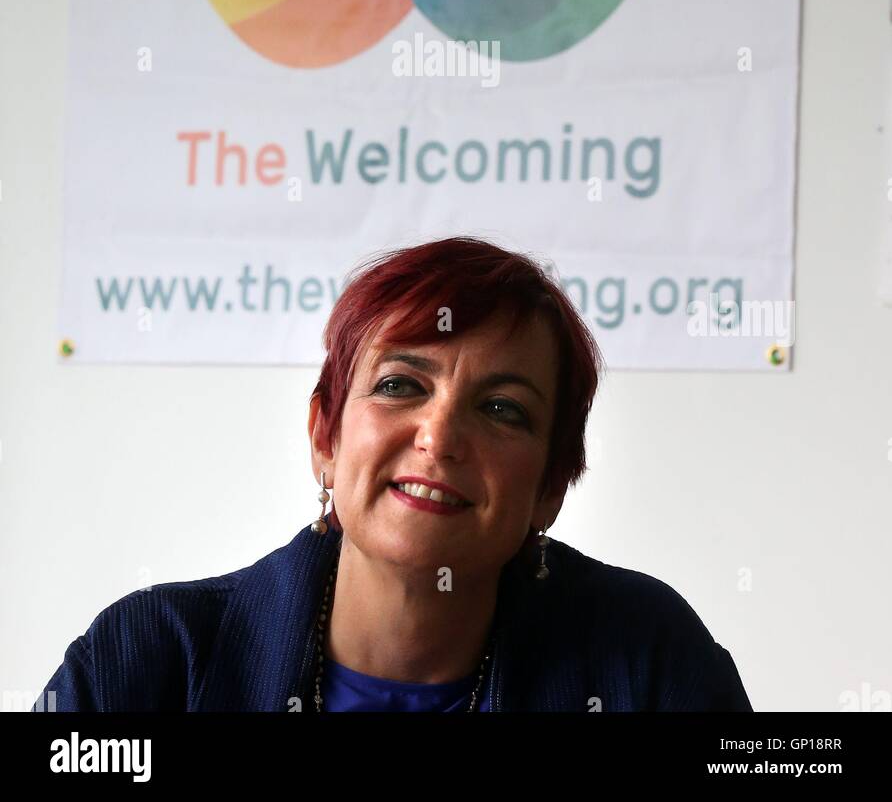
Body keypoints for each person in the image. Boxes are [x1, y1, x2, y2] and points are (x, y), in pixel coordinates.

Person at [33, 236, 752, 712]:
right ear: (325, 436)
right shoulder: (149, 662)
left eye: (502, 408)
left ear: (551, 489)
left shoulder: (650, 663)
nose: (438, 437)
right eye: (401, 385)